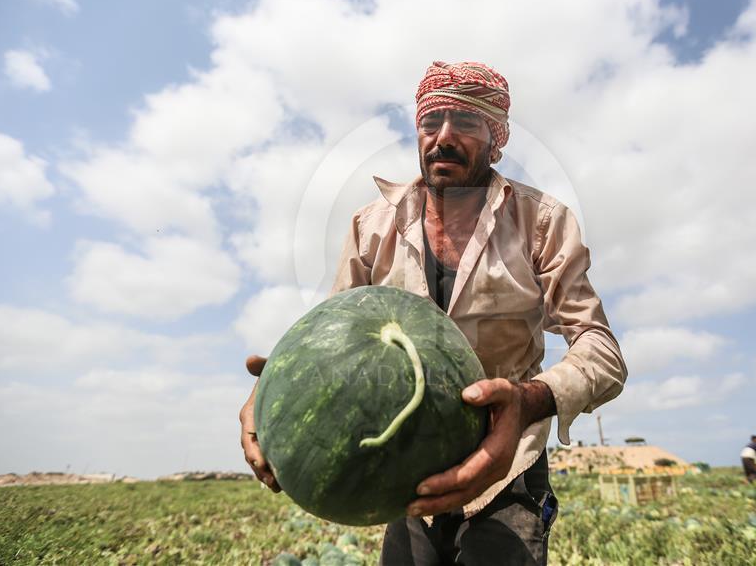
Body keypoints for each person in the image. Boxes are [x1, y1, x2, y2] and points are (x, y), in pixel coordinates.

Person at [239, 61, 627, 565]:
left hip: (505, 471)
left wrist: (527, 401)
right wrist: (269, 394)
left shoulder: (541, 223)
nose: (443, 137)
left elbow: (602, 352)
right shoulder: (371, 226)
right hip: (408, 472)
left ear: (496, 138)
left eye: (464, 123)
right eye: (430, 122)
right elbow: (326, 338)